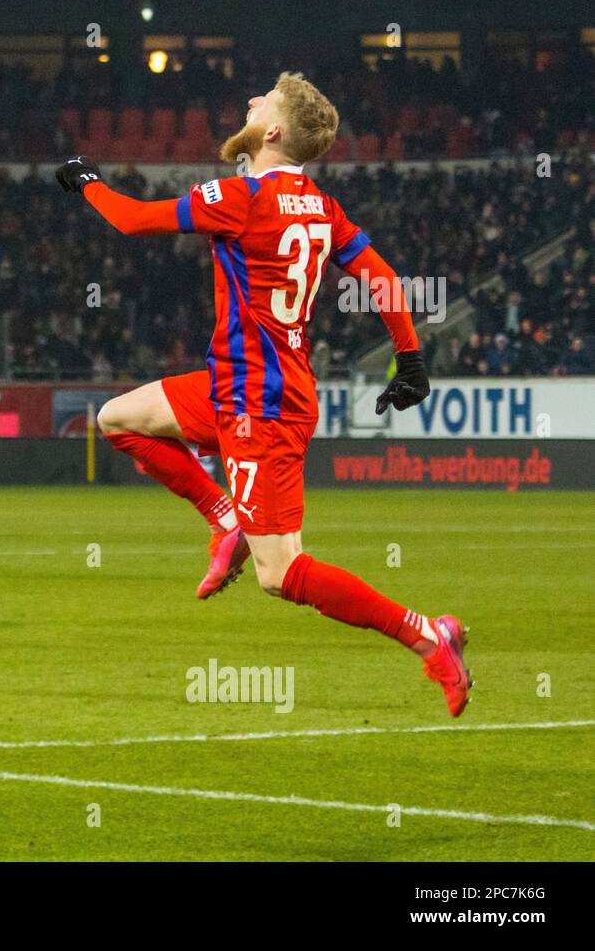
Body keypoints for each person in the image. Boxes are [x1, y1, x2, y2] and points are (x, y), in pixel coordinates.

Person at [56, 71, 471, 717]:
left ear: (271, 131)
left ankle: (427, 637)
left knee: (282, 574)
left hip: (262, 407)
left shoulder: (240, 197)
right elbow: (383, 278)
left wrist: (84, 180)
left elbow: (134, 220)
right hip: (235, 386)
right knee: (117, 419)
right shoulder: (322, 207)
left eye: (261, 103)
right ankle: (228, 522)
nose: (249, 103)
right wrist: (409, 357)